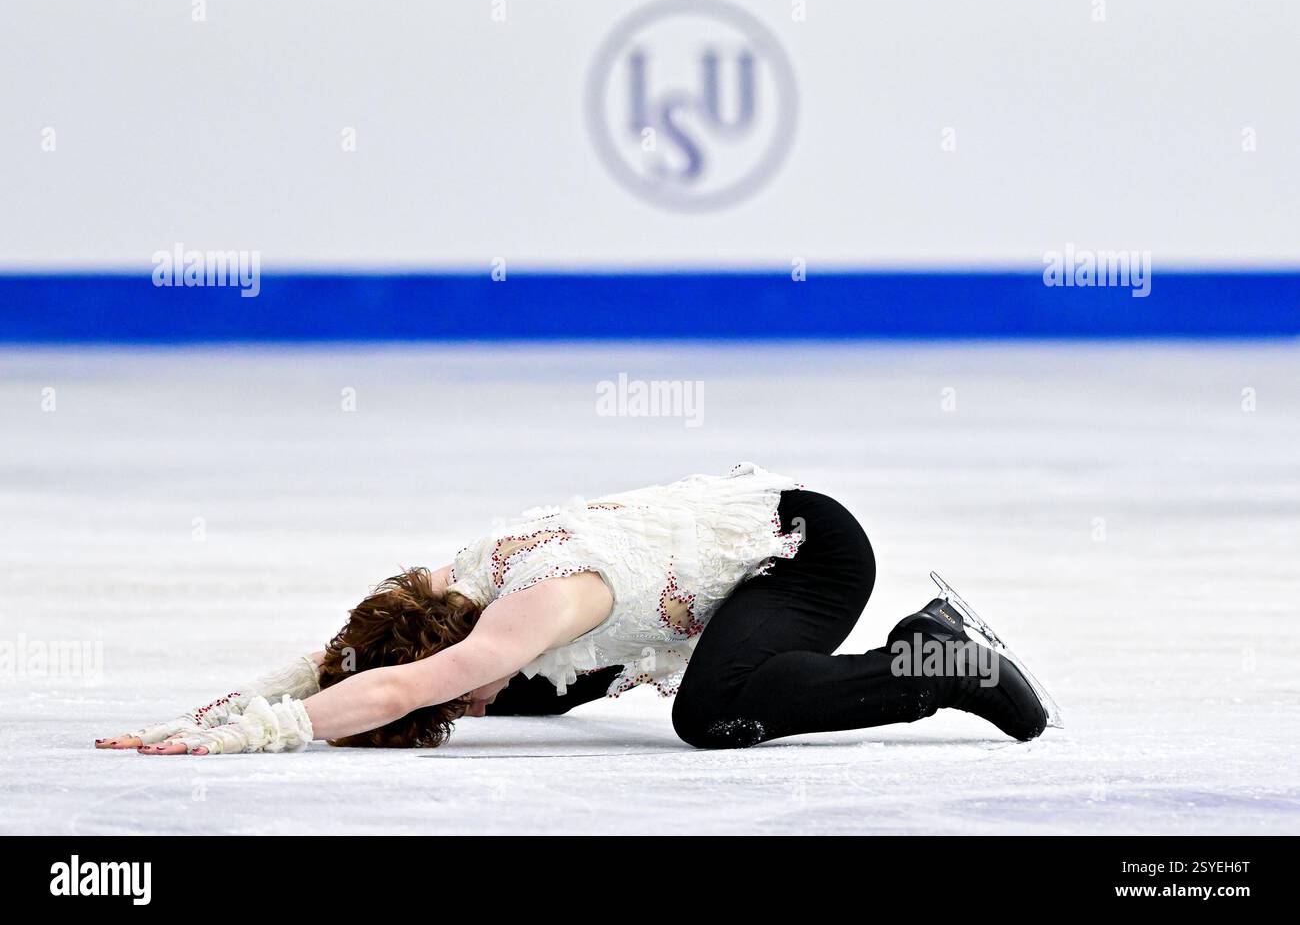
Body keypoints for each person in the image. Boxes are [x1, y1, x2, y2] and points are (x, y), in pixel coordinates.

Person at [94, 463, 1053, 756]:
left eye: (462, 693)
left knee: (714, 713)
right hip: (722, 568)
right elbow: (346, 663)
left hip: (807, 557)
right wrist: (210, 714)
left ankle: (938, 661)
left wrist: (257, 739)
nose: (466, 710)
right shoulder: (449, 585)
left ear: (474, 648)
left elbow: (410, 686)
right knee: (534, 695)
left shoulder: (533, 610)